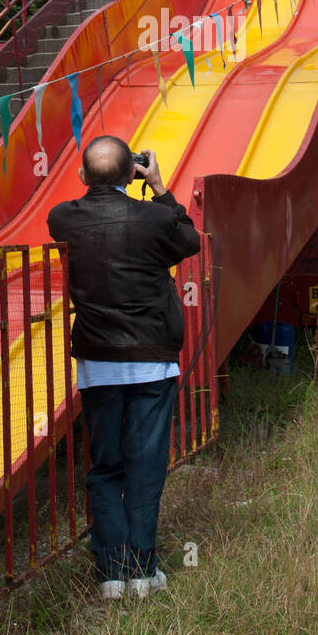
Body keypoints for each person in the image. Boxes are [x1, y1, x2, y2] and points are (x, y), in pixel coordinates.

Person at [46, 136, 201, 601]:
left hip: (99, 365)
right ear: (132, 173)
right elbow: (189, 240)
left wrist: (94, 181)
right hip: (152, 364)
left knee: (104, 467)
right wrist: (158, 186)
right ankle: (143, 569)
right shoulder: (155, 219)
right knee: (145, 468)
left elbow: (72, 210)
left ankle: (112, 573)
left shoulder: (63, 219)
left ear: (82, 176)